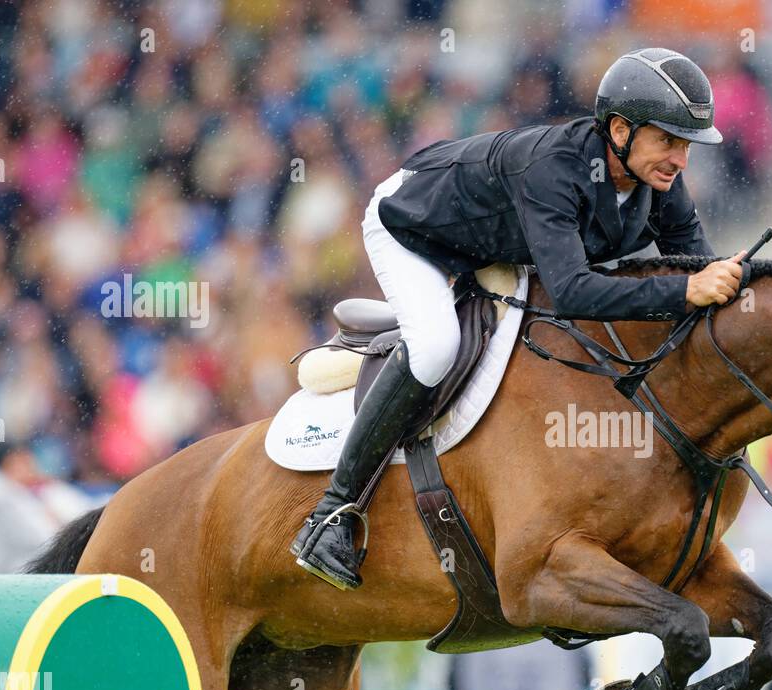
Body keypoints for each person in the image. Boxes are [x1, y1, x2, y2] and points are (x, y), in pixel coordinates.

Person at [292, 48, 746, 589]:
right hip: (414, 228)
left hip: (492, 243)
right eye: (669, 141)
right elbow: (575, 291)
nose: (681, 159)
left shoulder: (657, 181)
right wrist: (687, 290)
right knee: (436, 346)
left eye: (687, 145)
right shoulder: (555, 169)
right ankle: (331, 516)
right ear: (621, 130)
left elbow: (698, 267)